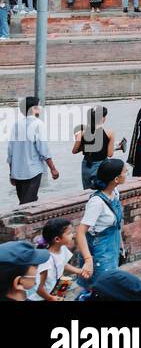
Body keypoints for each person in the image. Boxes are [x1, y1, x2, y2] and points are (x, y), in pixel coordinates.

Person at [75, 158, 127, 287]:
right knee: (100, 287)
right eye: (125, 172)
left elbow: (116, 225)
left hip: (112, 248)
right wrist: (88, 260)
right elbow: (80, 233)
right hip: (100, 251)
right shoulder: (97, 202)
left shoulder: (115, 193)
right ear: (116, 179)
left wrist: (121, 246)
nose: (126, 174)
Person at [7, 97, 58, 203]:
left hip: (17, 172)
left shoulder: (16, 125)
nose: (40, 109)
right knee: (28, 205)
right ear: (33, 109)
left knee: (24, 202)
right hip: (32, 171)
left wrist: (11, 173)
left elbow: (10, 153)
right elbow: (44, 150)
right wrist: (53, 169)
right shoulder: (38, 124)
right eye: (38, 107)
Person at [32, 218, 83, 300]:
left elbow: (62, 263)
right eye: (69, 233)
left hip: (58, 287)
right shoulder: (46, 260)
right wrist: (51, 298)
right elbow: (39, 288)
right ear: (57, 239)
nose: (72, 235)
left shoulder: (62, 248)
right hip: (44, 296)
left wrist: (79, 271)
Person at [72, 106, 114, 190]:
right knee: (103, 190)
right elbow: (110, 154)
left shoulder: (82, 133)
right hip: (102, 164)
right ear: (102, 118)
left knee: (88, 191)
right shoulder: (110, 132)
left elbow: (74, 151)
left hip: (87, 164)